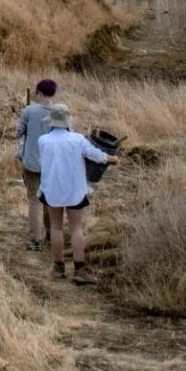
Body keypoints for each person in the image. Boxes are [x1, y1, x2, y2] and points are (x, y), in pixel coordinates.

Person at [37, 104, 119, 286]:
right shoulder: (78, 139)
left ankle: (58, 268)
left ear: (51, 122)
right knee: (76, 229)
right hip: (75, 189)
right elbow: (95, 155)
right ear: (67, 121)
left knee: (56, 228)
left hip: (52, 189)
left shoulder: (43, 140)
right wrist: (112, 159)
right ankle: (80, 270)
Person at [15, 78, 58, 250]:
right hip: (52, 164)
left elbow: (18, 134)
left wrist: (21, 118)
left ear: (39, 92)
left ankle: (34, 240)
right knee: (49, 200)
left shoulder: (29, 111)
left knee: (34, 201)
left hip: (31, 162)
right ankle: (50, 234)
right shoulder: (59, 113)